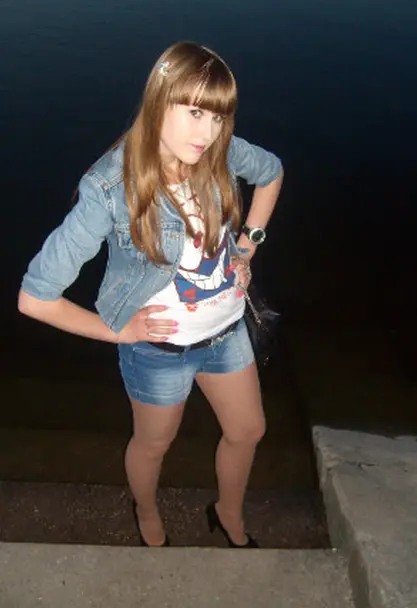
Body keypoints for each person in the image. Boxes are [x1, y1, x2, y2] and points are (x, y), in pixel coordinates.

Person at [18, 41, 283, 548]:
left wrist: (247, 247)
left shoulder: (218, 150)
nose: (208, 133)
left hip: (226, 333)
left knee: (248, 430)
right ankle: (145, 510)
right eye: (195, 113)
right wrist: (118, 331)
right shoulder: (110, 188)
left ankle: (227, 512)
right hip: (157, 351)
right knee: (154, 443)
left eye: (218, 117)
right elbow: (35, 297)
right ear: (159, 100)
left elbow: (271, 173)